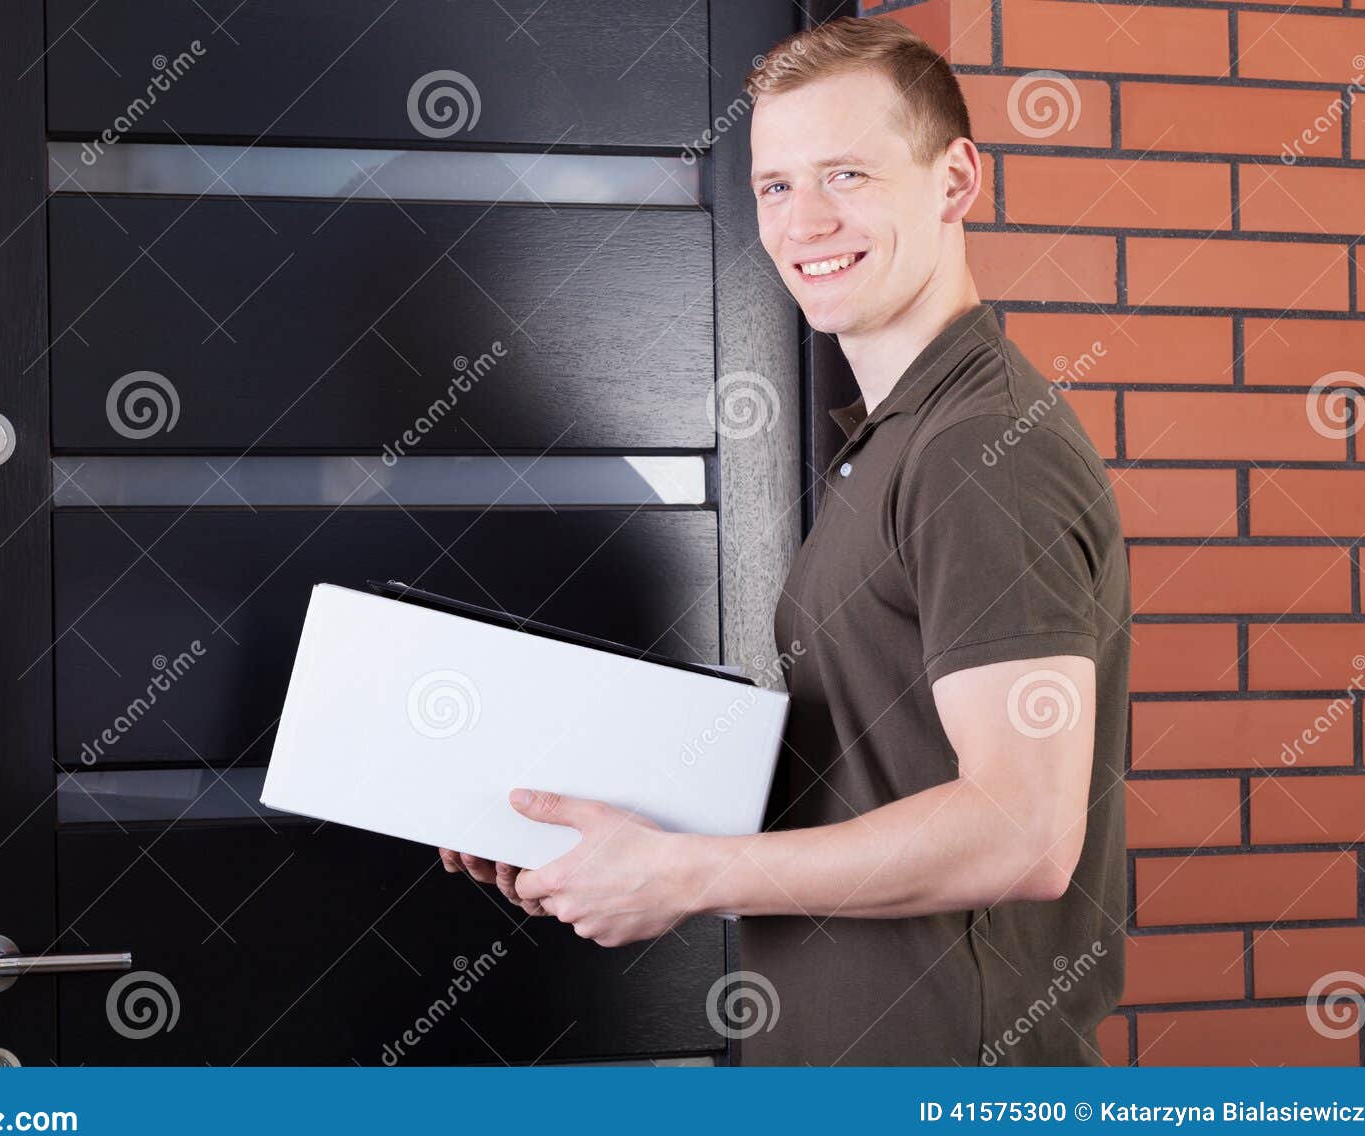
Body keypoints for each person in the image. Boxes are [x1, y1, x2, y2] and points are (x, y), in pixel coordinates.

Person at [440, 15, 1129, 1066]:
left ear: (954, 181)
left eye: (847, 174)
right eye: (775, 185)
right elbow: (868, 766)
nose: (804, 220)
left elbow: (1022, 828)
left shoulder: (979, 450)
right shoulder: (897, 439)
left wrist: (686, 875)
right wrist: (607, 833)